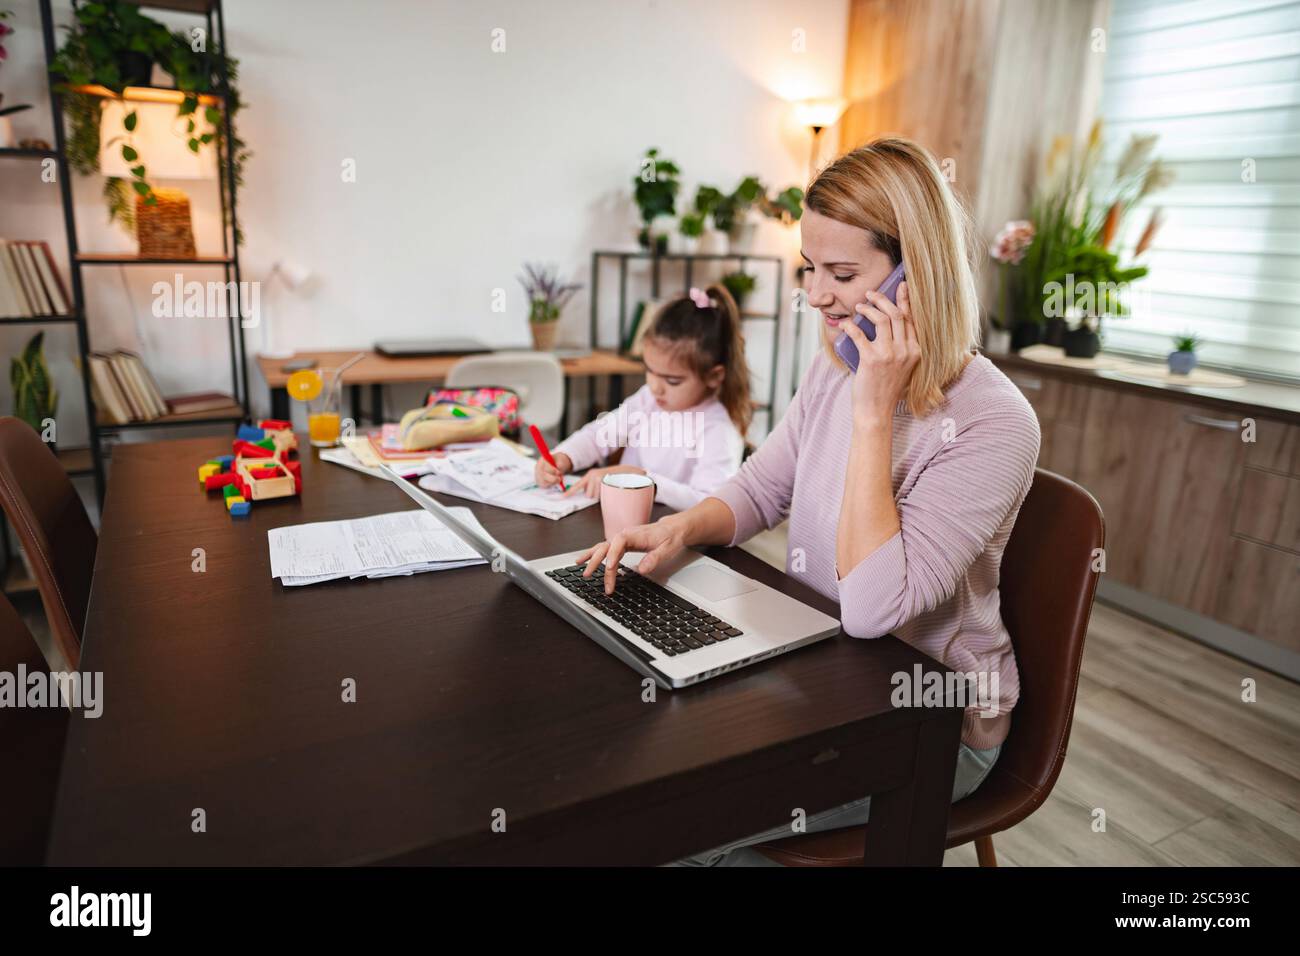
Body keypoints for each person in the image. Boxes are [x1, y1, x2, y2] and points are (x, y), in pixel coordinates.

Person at [573, 137, 1041, 865]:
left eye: (843, 272)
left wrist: (873, 408)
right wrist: (682, 530)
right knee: (626, 766)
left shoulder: (994, 422)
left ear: (918, 275)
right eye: (810, 269)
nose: (816, 295)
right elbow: (765, 486)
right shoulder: (836, 365)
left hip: (928, 723)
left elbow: (872, 608)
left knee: (672, 825)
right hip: (820, 674)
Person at [536, 285, 750, 511]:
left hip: (671, 538)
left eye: (672, 380)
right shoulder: (648, 399)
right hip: (625, 521)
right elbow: (598, 435)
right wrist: (563, 457)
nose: (655, 387)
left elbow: (709, 505)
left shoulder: (718, 430)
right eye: (649, 370)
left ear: (714, 376)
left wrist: (642, 480)